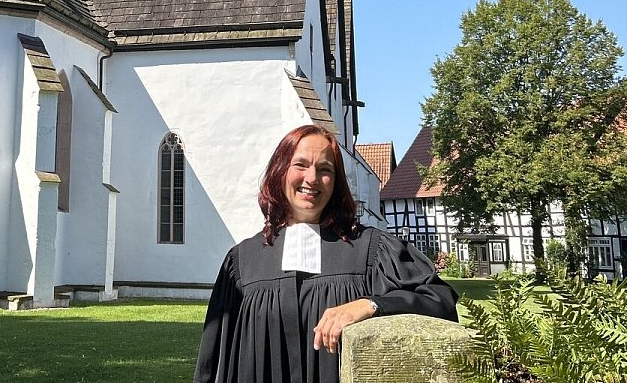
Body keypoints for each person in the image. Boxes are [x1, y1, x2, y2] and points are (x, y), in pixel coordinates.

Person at [194, 124, 458, 383]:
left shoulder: (370, 250)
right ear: (280, 171)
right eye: (300, 165)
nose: (311, 178)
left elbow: (440, 299)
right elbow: (211, 359)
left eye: (324, 169)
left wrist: (370, 305)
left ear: (336, 183)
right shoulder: (242, 261)